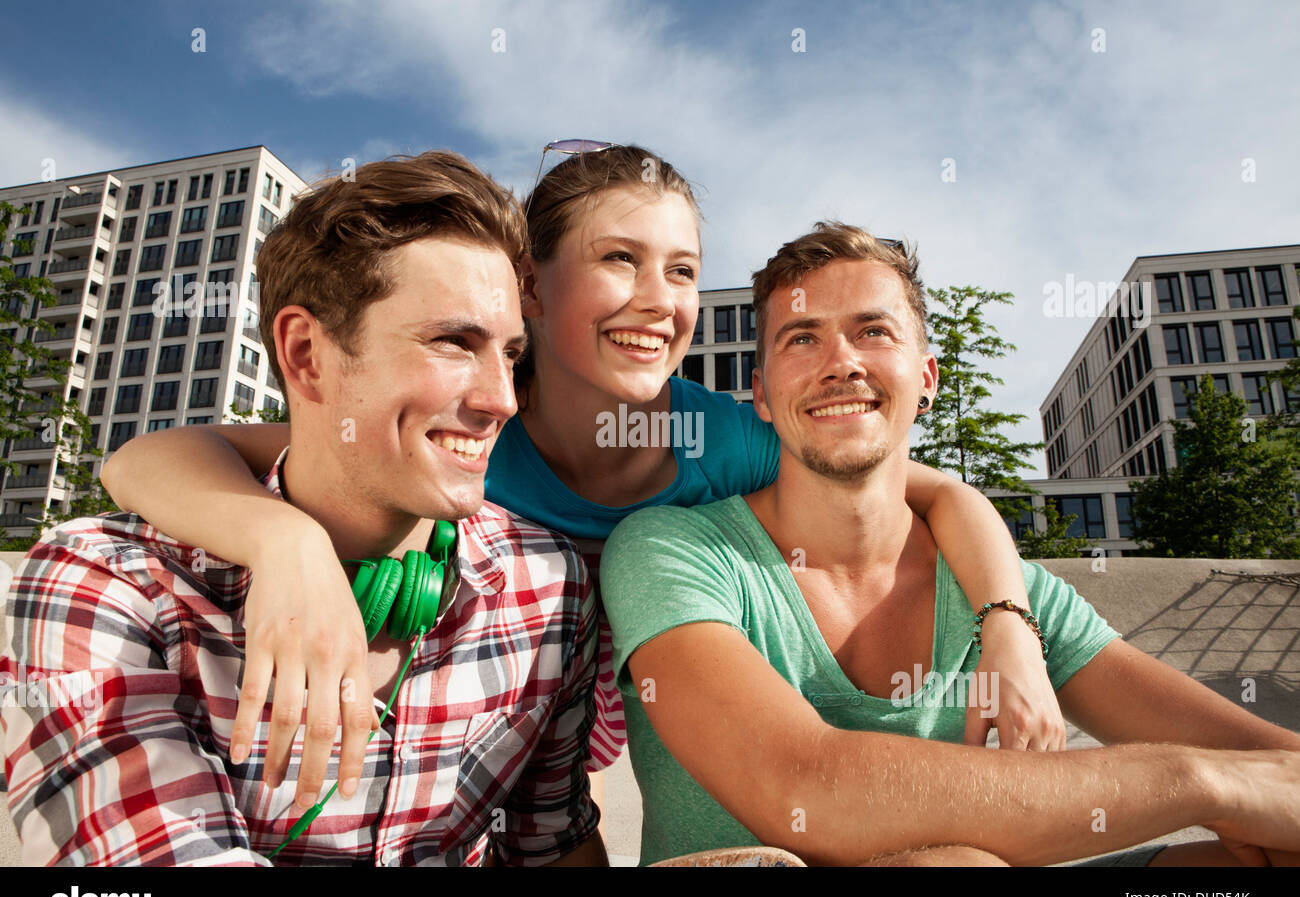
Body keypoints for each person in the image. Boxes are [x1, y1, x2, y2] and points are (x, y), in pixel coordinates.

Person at [100, 145, 1064, 818]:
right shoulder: (468, 426)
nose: (660, 300)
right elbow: (142, 459)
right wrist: (286, 541)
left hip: (647, 696)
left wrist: (1008, 631)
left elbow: (937, 495)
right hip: (515, 700)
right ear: (531, 287)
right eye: (619, 260)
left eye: (683, 270)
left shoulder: (717, 433)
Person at [599, 221, 1300, 866]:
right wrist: (1199, 781)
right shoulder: (670, 552)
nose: (840, 362)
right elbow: (804, 785)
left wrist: (1011, 626)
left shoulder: (1005, 594)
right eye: (802, 337)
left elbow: (1269, 764)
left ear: (927, 378)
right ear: (759, 393)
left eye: (873, 331)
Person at [0, 151, 606, 866]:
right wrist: (285, 544)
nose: (502, 398)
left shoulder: (550, 586)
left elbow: (550, 843)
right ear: (306, 354)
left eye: (510, 354)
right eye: (453, 342)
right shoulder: (101, 586)